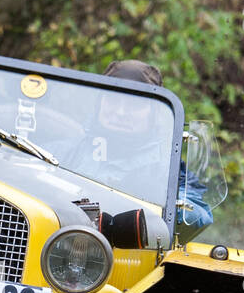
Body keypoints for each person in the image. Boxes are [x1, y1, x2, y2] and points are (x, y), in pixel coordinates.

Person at [86, 60, 215, 231]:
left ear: (154, 112)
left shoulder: (170, 170)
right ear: (99, 104)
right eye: (113, 100)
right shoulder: (65, 151)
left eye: (134, 104)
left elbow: (197, 213)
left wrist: (153, 199)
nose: (121, 112)